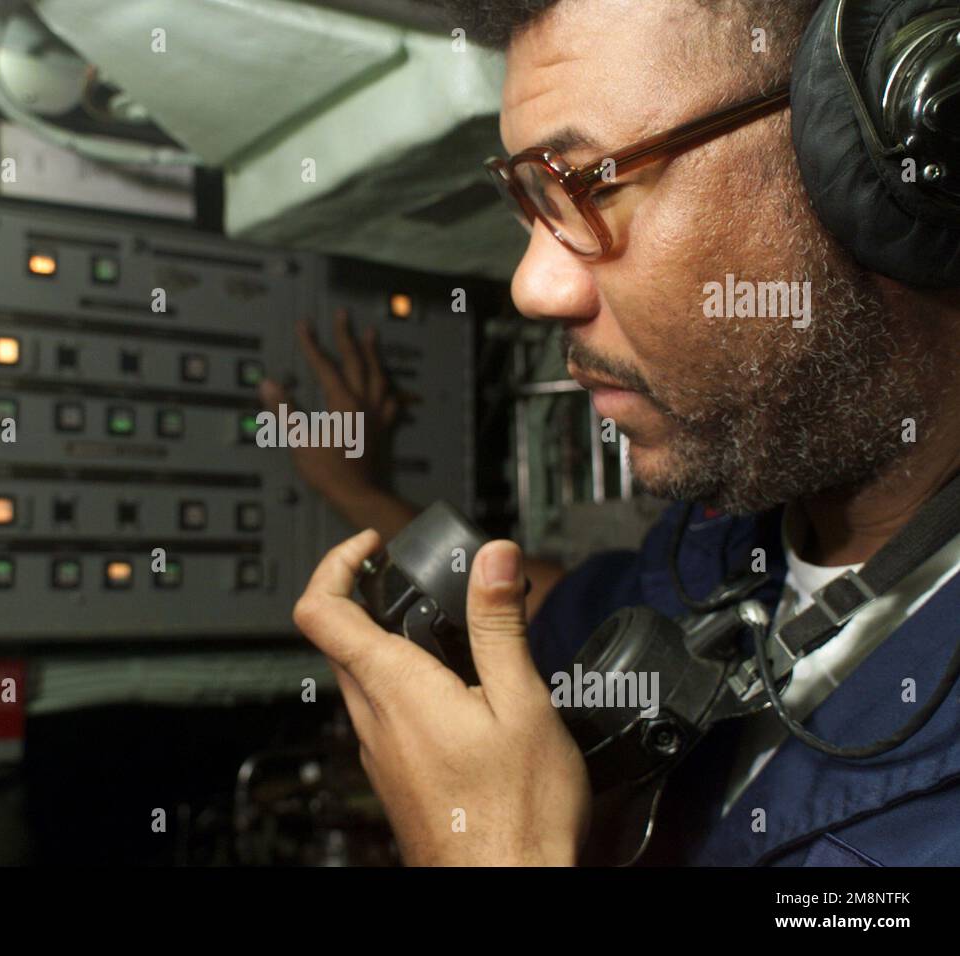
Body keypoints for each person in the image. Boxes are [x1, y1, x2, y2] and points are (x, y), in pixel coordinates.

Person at [272, 0, 960, 866]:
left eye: (591, 181)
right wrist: (354, 490)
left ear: (877, 153)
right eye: (531, 200)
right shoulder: (747, 524)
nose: (533, 287)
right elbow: (567, 609)